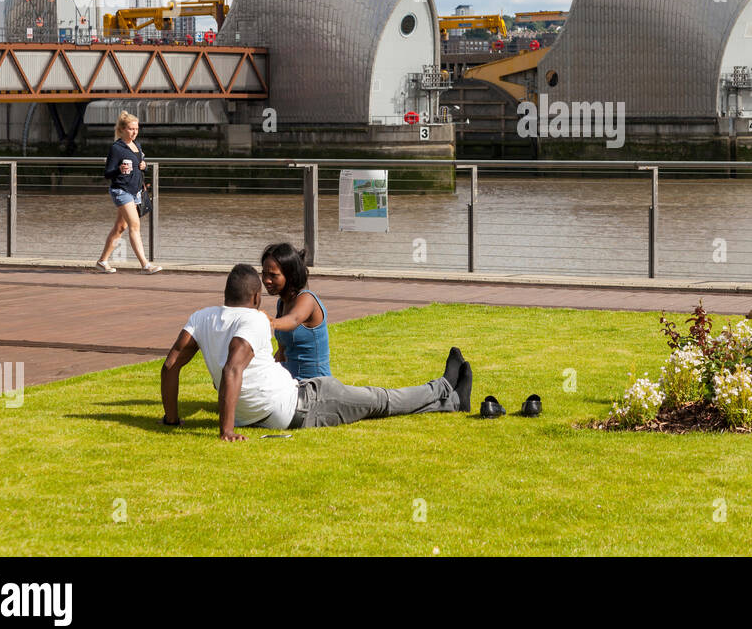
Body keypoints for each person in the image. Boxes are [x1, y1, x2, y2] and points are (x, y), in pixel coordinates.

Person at [159, 264, 472, 440]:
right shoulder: (254, 319)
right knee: (380, 400)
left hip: (264, 412)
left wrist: (172, 419)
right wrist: (225, 431)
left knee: (375, 403)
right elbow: (233, 369)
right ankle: (443, 387)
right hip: (303, 405)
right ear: (256, 296)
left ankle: (450, 400)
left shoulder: (202, 317)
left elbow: (171, 364)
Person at [96, 110, 161, 274]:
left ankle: (102, 261)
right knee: (135, 225)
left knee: (119, 227)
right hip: (121, 190)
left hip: (136, 191)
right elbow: (107, 173)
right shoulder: (116, 148)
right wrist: (119, 169)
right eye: (131, 129)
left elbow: (139, 165)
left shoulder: (137, 146)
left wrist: (143, 166)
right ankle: (145, 265)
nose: (134, 132)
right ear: (123, 129)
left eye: (137, 129)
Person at [261, 242, 330, 379]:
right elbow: (282, 351)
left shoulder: (307, 299)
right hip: (290, 385)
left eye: (273, 275)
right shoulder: (282, 303)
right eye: (264, 274)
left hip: (314, 386)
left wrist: (269, 321)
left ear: (290, 275)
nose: (266, 280)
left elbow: (293, 319)